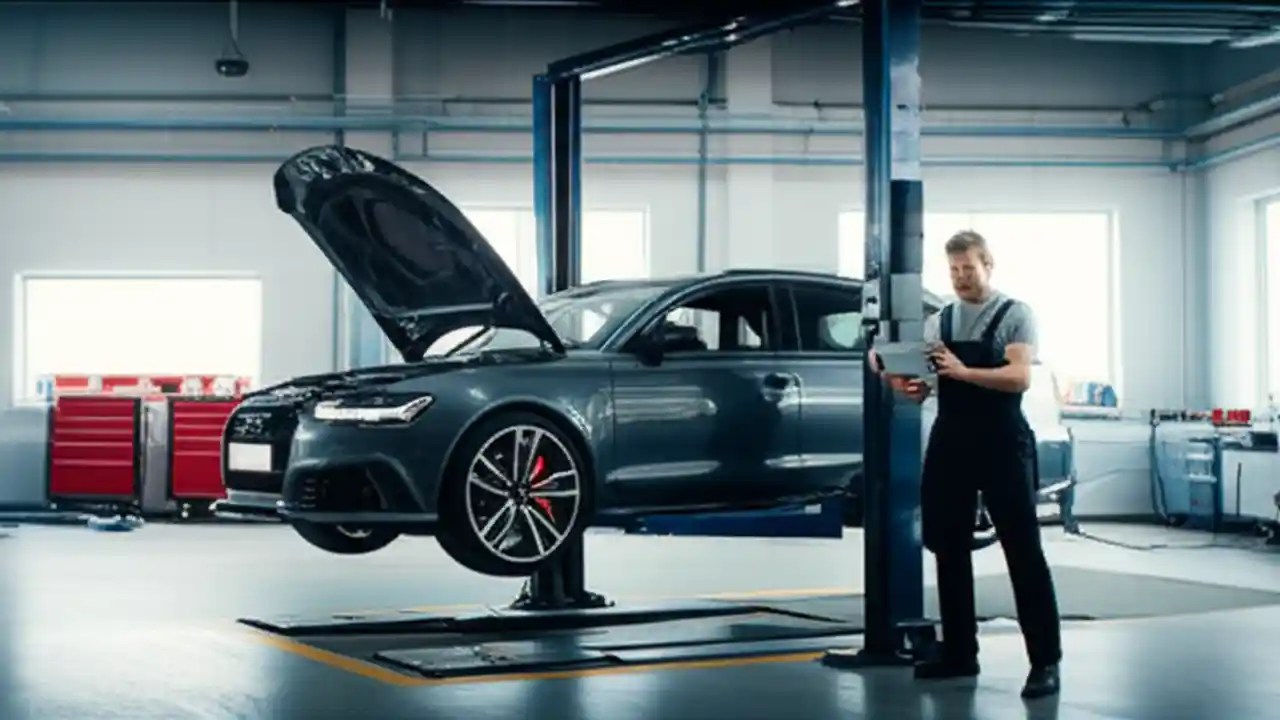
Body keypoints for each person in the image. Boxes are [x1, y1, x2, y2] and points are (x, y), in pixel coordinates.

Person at [873, 230, 1062, 700]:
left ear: (988, 265)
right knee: (948, 546)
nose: (960, 278)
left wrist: (963, 371)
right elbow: (928, 386)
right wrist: (906, 384)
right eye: (954, 270)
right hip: (952, 438)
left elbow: (1018, 376)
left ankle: (1044, 662)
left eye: (968, 269)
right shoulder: (940, 321)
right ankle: (959, 652)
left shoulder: (1015, 314)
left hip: (1002, 439)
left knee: (1022, 549)